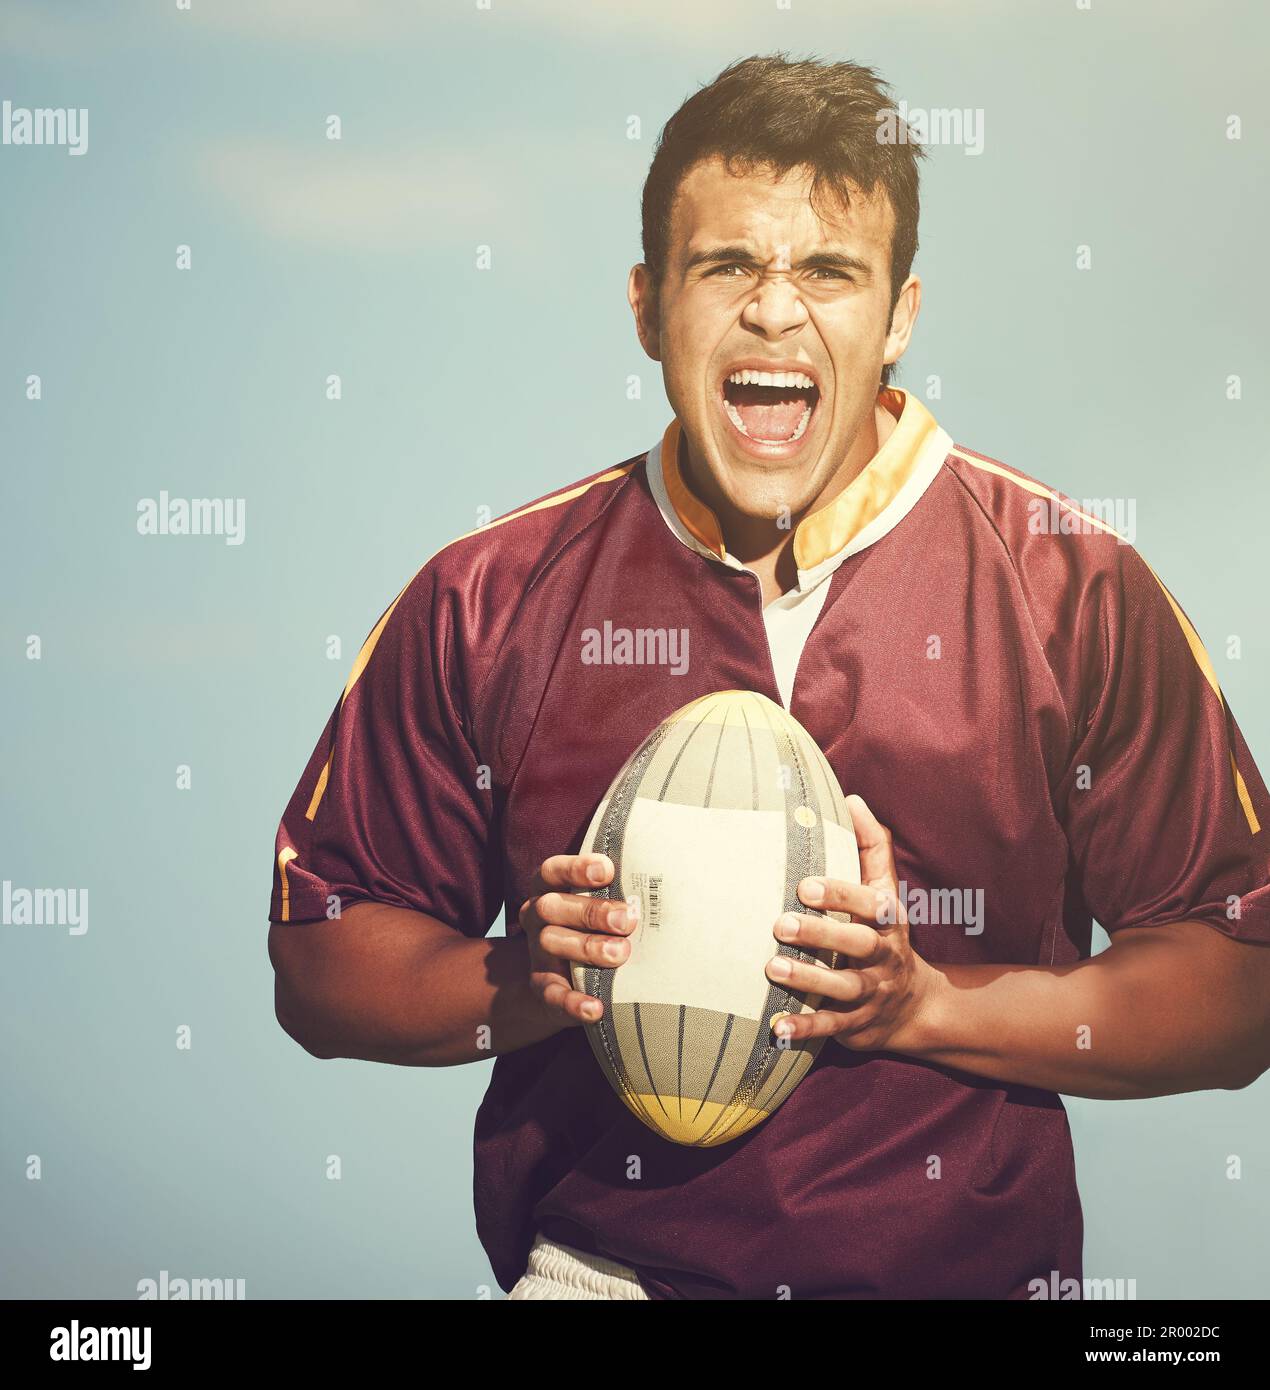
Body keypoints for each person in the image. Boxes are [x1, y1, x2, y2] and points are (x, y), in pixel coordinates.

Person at [266, 54, 1270, 1300]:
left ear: (900, 312)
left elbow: (1240, 982)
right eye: (726, 265)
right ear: (646, 305)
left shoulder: (1072, 587)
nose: (775, 311)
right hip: (603, 1272)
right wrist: (526, 979)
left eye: (829, 272)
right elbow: (319, 959)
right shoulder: (488, 597)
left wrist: (921, 1006)